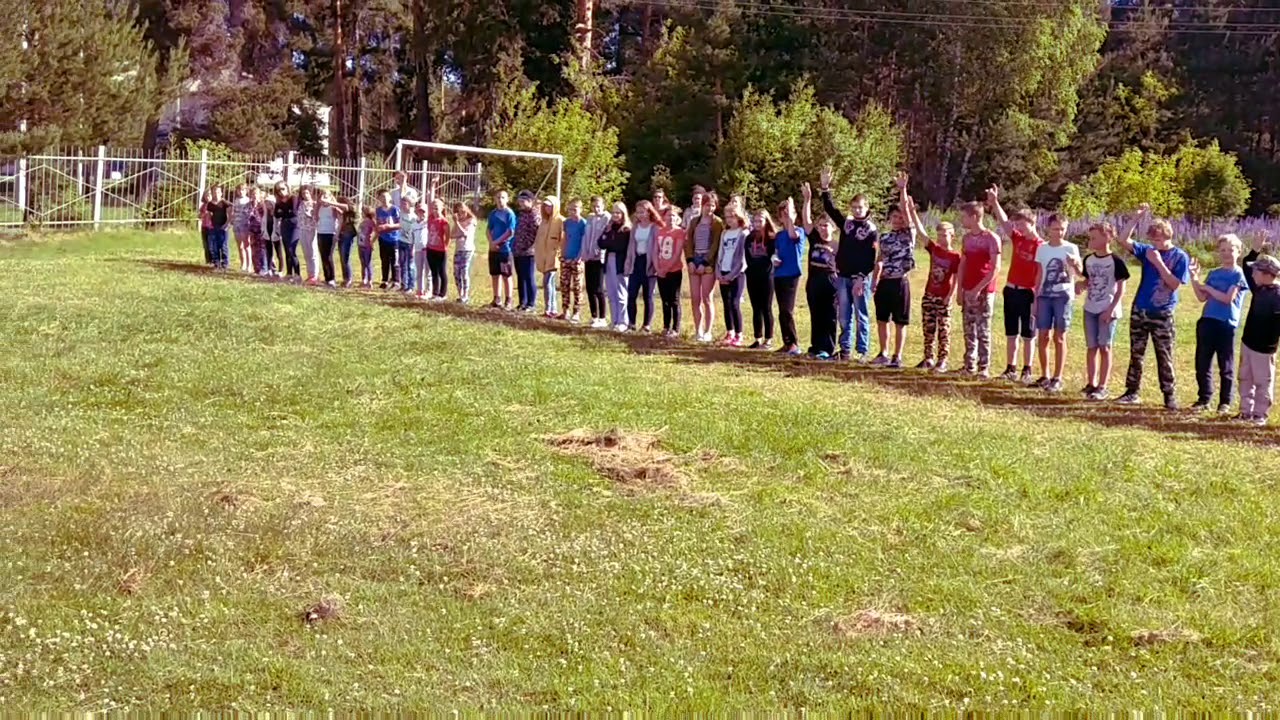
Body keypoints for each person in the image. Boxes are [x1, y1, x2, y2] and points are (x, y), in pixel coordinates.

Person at [1115, 204, 1191, 409]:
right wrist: (1134, 219)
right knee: (1136, 352)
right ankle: (1132, 391)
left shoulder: (1179, 257)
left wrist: (1158, 263)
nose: (1155, 244)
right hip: (1141, 308)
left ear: (1168, 236)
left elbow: (1175, 284)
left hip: (1163, 312)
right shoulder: (1148, 251)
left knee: (1164, 354)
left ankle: (1169, 395)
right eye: (1152, 240)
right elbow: (1122, 240)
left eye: (1159, 239)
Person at [819, 167, 877, 362]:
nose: (856, 211)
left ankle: (862, 351)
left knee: (862, 315)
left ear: (867, 207)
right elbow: (831, 210)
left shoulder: (871, 230)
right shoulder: (848, 224)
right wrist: (825, 188)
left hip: (860, 278)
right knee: (844, 315)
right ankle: (844, 350)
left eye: (860, 207)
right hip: (843, 276)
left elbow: (872, 257)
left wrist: (862, 277)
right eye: (853, 208)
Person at [1188, 233, 1249, 413]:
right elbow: (1201, 297)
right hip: (1207, 320)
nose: (1226, 254)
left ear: (1238, 252)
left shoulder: (1238, 274)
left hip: (1226, 323)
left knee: (1226, 364)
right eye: (1222, 250)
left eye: (1230, 250)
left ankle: (1225, 402)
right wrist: (1194, 279)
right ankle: (1204, 398)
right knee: (1202, 362)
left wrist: (1207, 288)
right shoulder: (1214, 273)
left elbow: (1227, 298)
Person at [987, 187, 1040, 384]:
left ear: (1032, 223)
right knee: (1011, 331)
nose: (1018, 227)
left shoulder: (1040, 245)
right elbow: (1004, 223)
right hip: (1011, 289)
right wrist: (994, 202)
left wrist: (1037, 296)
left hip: (1028, 292)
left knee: (1028, 333)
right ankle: (1011, 367)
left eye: (1022, 224)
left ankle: (1027, 368)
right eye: (1017, 223)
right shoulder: (1017, 239)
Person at [869, 173, 920, 368]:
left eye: (900, 217)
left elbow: (908, 213)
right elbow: (879, 260)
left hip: (900, 281)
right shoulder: (885, 237)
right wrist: (875, 281)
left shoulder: (908, 234)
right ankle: (883, 352)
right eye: (894, 217)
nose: (898, 220)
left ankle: (897, 356)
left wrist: (902, 190)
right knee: (882, 318)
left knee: (900, 321)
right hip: (885, 281)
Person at [1077, 222, 1130, 400]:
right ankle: (1091, 384)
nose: (1091, 240)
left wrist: (1111, 310)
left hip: (1107, 310)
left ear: (1107, 237)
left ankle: (1103, 385)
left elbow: (1121, 289)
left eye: (1095, 237)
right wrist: (1081, 285)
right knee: (1091, 347)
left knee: (1104, 347)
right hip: (1090, 308)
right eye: (1090, 237)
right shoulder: (1089, 260)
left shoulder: (1116, 261)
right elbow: (1088, 280)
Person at [1030, 214, 1083, 392]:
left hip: (1063, 297)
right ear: (1049, 229)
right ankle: (1045, 375)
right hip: (1044, 296)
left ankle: (1057, 377)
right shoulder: (1042, 249)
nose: (1059, 232)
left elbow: (1081, 273)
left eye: (1062, 229)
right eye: (1055, 229)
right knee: (1043, 335)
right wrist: (1035, 299)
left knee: (1059, 337)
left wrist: (1075, 264)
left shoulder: (1072, 248)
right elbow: (1038, 274)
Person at [911, 198, 959, 372]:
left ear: (952, 236)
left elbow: (956, 278)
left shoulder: (955, 257)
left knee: (944, 330)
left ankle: (942, 360)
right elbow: (921, 232)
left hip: (943, 296)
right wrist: (912, 212)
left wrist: (949, 296)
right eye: (939, 235)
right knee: (928, 327)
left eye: (944, 235)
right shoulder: (934, 249)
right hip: (929, 294)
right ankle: (928, 358)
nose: (941, 238)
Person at [954, 200, 1002, 377]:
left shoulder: (991, 238)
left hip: (984, 291)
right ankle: (969, 365)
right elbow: (963, 264)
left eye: (964, 217)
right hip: (967, 288)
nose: (962, 221)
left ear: (974, 217)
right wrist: (960, 289)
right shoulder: (966, 239)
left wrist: (978, 289)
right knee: (968, 328)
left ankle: (984, 367)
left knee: (983, 329)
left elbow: (995, 268)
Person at [1238, 254, 1280, 425]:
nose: (1253, 274)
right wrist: (1254, 251)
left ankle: (1260, 414)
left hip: (1264, 348)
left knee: (1263, 382)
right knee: (1245, 378)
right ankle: (1245, 411)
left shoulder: (1277, 296)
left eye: (1256, 271)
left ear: (1266, 274)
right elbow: (1245, 268)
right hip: (1248, 342)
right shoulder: (1258, 288)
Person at [686, 191, 723, 342]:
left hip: (708, 263)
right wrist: (690, 260)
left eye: (712, 205)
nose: (710, 208)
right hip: (695, 259)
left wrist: (705, 262)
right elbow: (688, 241)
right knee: (695, 298)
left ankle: (708, 331)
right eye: (707, 205)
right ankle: (698, 330)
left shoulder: (717, 223)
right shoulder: (695, 221)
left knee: (707, 297)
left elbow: (715, 244)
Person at [773, 197, 806, 356]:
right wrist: (774, 259)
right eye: (783, 215)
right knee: (781, 310)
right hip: (779, 274)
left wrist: (791, 219)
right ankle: (786, 342)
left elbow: (793, 236)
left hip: (791, 274)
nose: (786, 217)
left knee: (787, 310)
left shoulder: (798, 231)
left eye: (789, 214)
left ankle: (794, 343)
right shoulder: (779, 236)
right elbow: (777, 252)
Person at [715, 199, 749, 347]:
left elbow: (742, 258)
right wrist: (719, 272)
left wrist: (731, 275)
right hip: (724, 269)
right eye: (727, 217)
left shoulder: (743, 233)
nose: (729, 220)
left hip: (737, 273)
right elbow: (720, 253)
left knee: (735, 303)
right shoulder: (725, 233)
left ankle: (739, 334)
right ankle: (730, 331)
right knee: (726, 303)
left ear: (739, 217)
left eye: (732, 217)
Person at [806, 215, 839, 359]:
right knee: (816, 315)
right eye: (820, 225)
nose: (823, 228)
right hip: (814, 281)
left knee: (829, 316)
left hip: (830, 281)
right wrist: (807, 200)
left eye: (826, 225)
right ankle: (816, 347)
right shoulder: (815, 240)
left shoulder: (838, 245)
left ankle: (827, 348)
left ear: (833, 227)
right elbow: (807, 222)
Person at [625, 200, 661, 332]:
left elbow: (657, 247)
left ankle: (646, 325)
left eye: (643, 212)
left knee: (648, 296)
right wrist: (628, 264)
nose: (640, 215)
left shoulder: (655, 228)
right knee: (631, 294)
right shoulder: (635, 227)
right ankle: (631, 323)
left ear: (649, 212)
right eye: (638, 212)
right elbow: (631, 247)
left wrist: (655, 265)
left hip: (649, 263)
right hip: (636, 261)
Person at [745, 209, 778, 349]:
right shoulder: (750, 237)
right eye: (755, 221)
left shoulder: (771, 237)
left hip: (767, 275)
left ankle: (768, 339)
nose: (757, 224)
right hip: (752, 274)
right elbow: (747, 255)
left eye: (760, 221)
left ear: (766, 221)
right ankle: (757, 337)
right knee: (755, 307)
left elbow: (773, 255)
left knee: (766, 307)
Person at [653, 206, 687, 337]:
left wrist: (667, 269)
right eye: (668, 215)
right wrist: (658, 268)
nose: (671, 218)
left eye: (673, 216)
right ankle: (666, 326)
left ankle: (675, 328)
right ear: (664, 217)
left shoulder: (679, 232)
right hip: (660, 270)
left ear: (677, 218)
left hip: (674, 270)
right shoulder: (660, 232)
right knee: (664, 300)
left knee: (674, 300)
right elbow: (655, 251)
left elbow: (677, 252)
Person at [600, 202, 632, 331]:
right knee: (611, 292)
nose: (615, 215)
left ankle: (623, 321)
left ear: (623, 214)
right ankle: (614, 320)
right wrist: (607, 236)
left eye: (618, 213)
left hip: (621, 262)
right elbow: (601, 243)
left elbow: (620, 246)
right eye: (613, 213)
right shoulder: (609, 227)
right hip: (609, 261)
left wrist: (609, 241)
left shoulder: (626, 229)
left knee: (621, 293)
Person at [582, 196, 612, 328]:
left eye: (599, 206)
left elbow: (605, 237)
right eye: (594, 206)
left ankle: (602, 317)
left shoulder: (607, 218)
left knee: (599, 288)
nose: (596, 209)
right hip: (588, 256)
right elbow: (586, 236)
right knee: (590, 288)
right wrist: (585, 252)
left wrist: (598, 250)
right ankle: (594, 315)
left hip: (600, 257)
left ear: (603, 205)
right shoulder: (590, 218)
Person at [535, 196, 564, 317]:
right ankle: (549, 308)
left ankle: (552, 308)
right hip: (544, 257)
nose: (547, 208)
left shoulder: (560, 221)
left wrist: (558, 254)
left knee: (548, 282)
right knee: (548, 283)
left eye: (550, 206)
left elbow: (562, 240)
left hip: (554, 257)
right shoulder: (544, 222)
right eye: (545, 206)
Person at [487, 190, 517, 309]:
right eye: (498, 197)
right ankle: (496, 298)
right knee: (495, 274)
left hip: (505, 249)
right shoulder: (493, 214)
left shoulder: (509, 214)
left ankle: (508, 300)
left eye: (503, 197)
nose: (500, 200)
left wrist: (497, 242)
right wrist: (491, 242)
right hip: (493, 249)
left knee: (506, 275)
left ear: (507, 199)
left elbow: (510, 232)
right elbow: (488, 230)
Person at [513, 190, 541, 312]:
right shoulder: (521, 214)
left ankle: (531, 303)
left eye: (523, 201)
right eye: (519, 201)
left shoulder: (535, 214)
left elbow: (537, 232)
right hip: (518, 249)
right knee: (520, 276)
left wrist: (529, 246)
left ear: (530, 201)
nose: (521, 204)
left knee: (529, 276)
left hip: (529, 251)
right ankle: (522, 302)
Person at [560, 199, 588, 322]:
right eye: (570, 209)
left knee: (577, 286)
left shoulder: (583, 223)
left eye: (575, 209)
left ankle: (576, 311)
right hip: (566, 257)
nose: (572, 211)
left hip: (577, 259)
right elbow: (565, 238)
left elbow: (584, 241)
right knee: (564, 284)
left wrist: (580, 257)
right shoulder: (566, 223)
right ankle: (565, 309)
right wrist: (562, 254)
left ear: (581, 209)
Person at [316, 189, 349, 287]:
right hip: (320, 232)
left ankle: (332, 278)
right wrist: (319, 204)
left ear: (331, 196)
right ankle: (327, 278)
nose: (324, 197)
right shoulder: (320, 207)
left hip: (330, 233)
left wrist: (331, 203)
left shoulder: (333, 207)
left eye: (326, 195)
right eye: (323, 194)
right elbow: (315, 215)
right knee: (323, 256)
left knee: (329, 256)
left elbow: (345, 209)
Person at [424, 180, 450, 301]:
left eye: (437, 207)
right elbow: (429, 200)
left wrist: (444, 247)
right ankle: (435, 292)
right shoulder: (430, 218)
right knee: (433, 271)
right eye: (433, 208)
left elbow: (448, 236)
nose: (434, 209)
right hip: (430, 248)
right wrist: (432, 185)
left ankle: (442, 294)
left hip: (440, 250)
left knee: (441, 271)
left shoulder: (444, 221)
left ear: (442, 208)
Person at [374, 190, 401, 289]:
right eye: (382, 197)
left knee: (395, 261)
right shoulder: (378, 210)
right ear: (379, 199)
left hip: (394, 238)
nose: (384, 199)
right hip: (383, 238)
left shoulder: (395, 209)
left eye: (386, 197)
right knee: (384, 260)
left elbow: (400, 224)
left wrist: (388, 226)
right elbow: (377, 223)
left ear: (390, 198)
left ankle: (396, 281)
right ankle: (384, 280)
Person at [295, 186, 322, 285]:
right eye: (303, 193)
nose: (305, 195)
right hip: (302, 229)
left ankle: (315, 274)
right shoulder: (300, 204)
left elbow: (316, 217)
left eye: (307, 193)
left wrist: (310, 214)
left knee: (313, 252)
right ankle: (310, 274)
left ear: (310, 193)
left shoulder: (314, 204)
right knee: (306, 253)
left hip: (311, 229)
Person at [452, 202, 477, 303]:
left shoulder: (471, 220)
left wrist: (457, 224)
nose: (461, 213)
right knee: (456, 272)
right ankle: (460, 294)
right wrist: (457, 224)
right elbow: (452, 235)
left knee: (464, 271)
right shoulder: (458, 222)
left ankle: (465, 295)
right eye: (458, 211)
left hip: (467, 249)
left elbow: (465, 233)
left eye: (462, 210)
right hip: (458, 249)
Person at [405, 199, 428, 298]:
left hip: (427, 249)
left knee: (428, 271)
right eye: (419, 211)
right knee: (419, 271)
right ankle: (419, 290)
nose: (421, 213)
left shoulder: (428, 223)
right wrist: (412, 249)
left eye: (423, 211)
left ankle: (428, 290)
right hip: (418, 249)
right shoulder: (414, 225)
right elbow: (411, 239)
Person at [398, 196, 419, 295]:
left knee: (410, 264)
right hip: (401, 240)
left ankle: (411, 286)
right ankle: (404, 284)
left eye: (405, 203)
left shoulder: (414, 217)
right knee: (402, 263)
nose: (402, 205)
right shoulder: (401, 213)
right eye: (402, 203)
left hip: (410, 243)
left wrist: (414, 245)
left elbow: (415, 232)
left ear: (410, 204)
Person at [207, 186, 230, 271]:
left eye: (218, 192)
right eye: (214, 192)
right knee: (214, 245)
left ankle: (225, 264)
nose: (216, 194)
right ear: (212, 193)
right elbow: (209, 214)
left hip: (223, 226)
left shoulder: (224, 203)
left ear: (221, 193)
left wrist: (227, 224)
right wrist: (211, 223)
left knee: (223, 245)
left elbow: (230, 214)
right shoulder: (210, 204)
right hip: (214, 226)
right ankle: (216, 263)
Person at [337, 197, 358, 288]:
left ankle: (349, 278)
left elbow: (345, 207)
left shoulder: (350, 208)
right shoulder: (344, 213)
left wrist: (332, 203)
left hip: (348, 234)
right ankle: (345, 278)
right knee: (342, 257)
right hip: (342, 234)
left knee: (345, 256)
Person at [247, 187, 269, 276]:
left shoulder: (262, 204)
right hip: (252, 229)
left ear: (260, 194)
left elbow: (265, 215)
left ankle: (264, 268)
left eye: (256, 193)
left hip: (261, 229)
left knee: (262, 249)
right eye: (253, 194)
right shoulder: (249, 204)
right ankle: (257, 268)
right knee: (254, 249)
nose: (254, 195)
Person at [231, 184, 253, 272]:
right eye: (239, 190)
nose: (241, 192)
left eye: (243, 190)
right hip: (237, 225)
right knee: (240, 246)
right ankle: (243, 263)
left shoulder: (248, 200)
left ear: (246, 191)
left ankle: (249, 264)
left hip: (245, 225)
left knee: (247, 245)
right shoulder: (236, 200)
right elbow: (234, 212)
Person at [358, 204, 377, 288]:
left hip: (367, 244)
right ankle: (364, 279)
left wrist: (371, 240)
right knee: (363, 263)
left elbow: (375, 231)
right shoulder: (362, 221)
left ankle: (369, 280)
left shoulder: (371, 222)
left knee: (368, 262)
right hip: (361, 243)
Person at [199, 189, 214, 266]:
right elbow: (199, 216)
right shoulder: (203, 206)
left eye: (210, 195)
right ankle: (208, 260)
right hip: (204, 227)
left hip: (212, 227)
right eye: (206, 195)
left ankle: (213, 260)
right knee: (206, 245)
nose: (208, 196)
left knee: (211, 244)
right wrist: (203, 214)